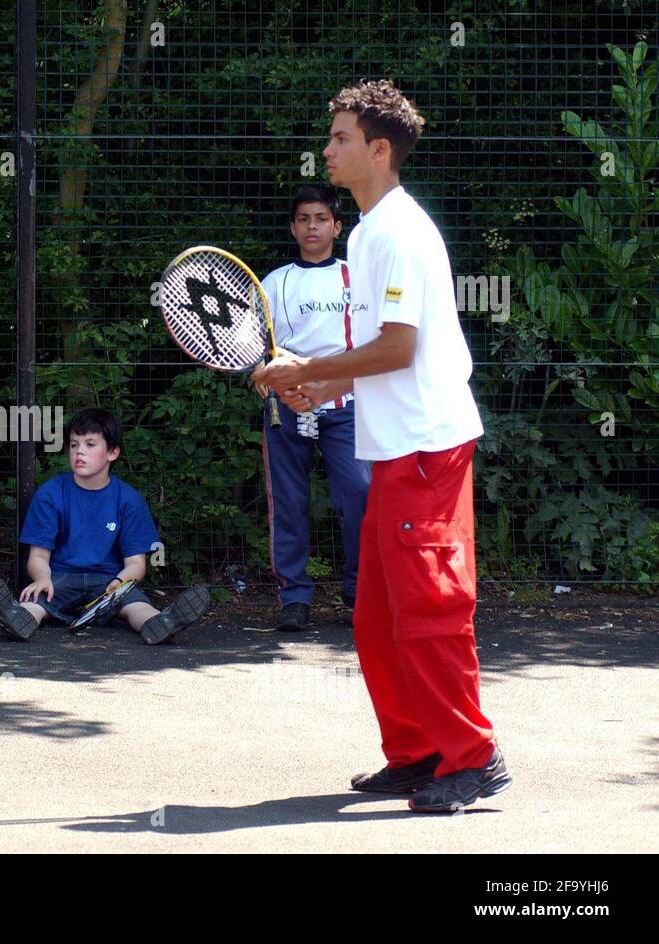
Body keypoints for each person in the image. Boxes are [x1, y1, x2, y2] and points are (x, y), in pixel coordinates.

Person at [254, 80, 510, 813]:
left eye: (339, 138)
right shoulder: (366, 234)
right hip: (392, 443)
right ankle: (419, 752)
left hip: (426, 449)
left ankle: (473, 755)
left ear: (378, 150)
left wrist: (309, 370)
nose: (327, 149)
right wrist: (322, 390)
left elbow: (400, 348)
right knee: (377, 614)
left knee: (429, 608)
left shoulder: (398, 231)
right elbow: (377, 355)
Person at [0, 408, 209, 645]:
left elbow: (136, 565)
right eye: (74, 444)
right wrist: (42, 578)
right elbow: (37, 557)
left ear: (113, 452)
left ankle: (161, 623)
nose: (80, 452)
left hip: (109, 579)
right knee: (37, 601)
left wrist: (119, 583)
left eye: (90, 444)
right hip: (60, 578)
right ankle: (15, 618)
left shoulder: (129, 499)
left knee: (136, 604)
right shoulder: (50, 493)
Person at [257, 183, 369, 630]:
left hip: (348, 405)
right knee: (288, 501)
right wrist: (274, 387)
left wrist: (329, 384)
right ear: (292, 227)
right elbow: (256, 354)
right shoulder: (273, 283)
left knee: (361, 492)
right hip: (287, 408)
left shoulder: (356, 278)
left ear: (337, 226)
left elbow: (377, 347)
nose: (312, 226)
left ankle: (360, 592)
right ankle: (295, 599)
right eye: (303, 219)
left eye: (321, 218)